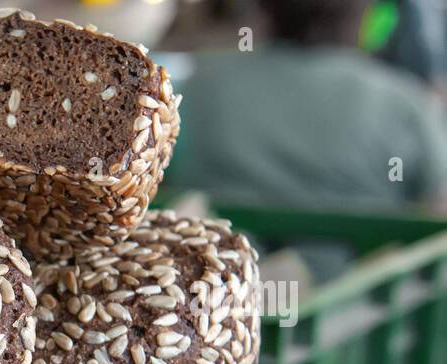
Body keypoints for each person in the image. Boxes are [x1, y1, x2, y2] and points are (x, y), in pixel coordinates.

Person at [163, 0, 447, 213]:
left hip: (211, 279)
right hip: (363, 286)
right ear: (362, 13)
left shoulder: (201, 85)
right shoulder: (404, 102)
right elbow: (436, 209)